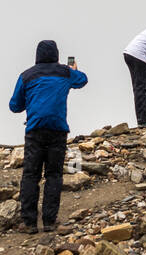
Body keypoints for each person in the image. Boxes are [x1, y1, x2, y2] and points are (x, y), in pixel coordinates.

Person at [9, 40, 88, 232]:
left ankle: (29, 223)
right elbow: (83, 80)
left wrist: (33, 99)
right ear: (56, 54)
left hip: (35, 130)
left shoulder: (26, 76)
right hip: (58, 130)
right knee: (54, 175)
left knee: (30, 175)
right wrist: (74, 68)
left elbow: (14, 106)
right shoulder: (65, 72)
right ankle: (49, 222)